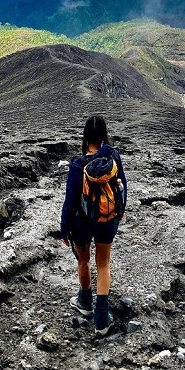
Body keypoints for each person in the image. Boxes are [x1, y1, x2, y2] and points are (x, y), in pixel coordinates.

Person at [60, 115, 127, 336]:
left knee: (83, 261)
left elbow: (70, 200)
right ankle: (101, 320)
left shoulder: (78, 164)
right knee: (103, 264)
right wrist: (119, 212)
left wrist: (64, 227)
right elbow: (123, 187)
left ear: (86, 137)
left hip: (82, 222)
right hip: (107, 219)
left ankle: (85, 302)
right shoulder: (113, 157)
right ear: (104, 135)